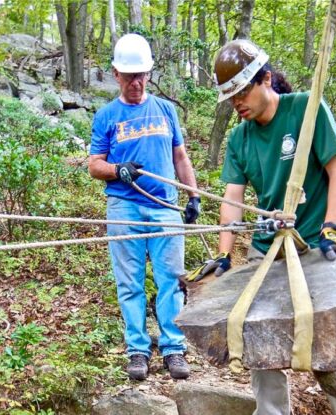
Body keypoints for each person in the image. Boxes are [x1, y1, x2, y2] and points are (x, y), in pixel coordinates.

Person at [199, 39, 336, 414]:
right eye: (231, 97)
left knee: (330, 338)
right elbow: (232, 199)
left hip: (314, 242)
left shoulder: (305, 109)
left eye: (242, 92)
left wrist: (332, 227)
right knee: (257, 334)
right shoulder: (239, 138)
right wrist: (223, 254)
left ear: (266, 79)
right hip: (268, 249)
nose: (237, 103)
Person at [88, 33, 200, 381]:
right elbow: (94, 165)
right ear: (116, 74)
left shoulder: (166, 110)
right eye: (129, 76)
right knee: (130, 283)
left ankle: (173, 348)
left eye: (141, 75)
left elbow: (180, 156)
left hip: (165, 206)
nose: (136, 82)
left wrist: (193, 195)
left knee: (171, 280)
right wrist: (117, 170)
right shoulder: (106, 116)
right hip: (124, 207)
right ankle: (137, 349)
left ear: (149, 74)